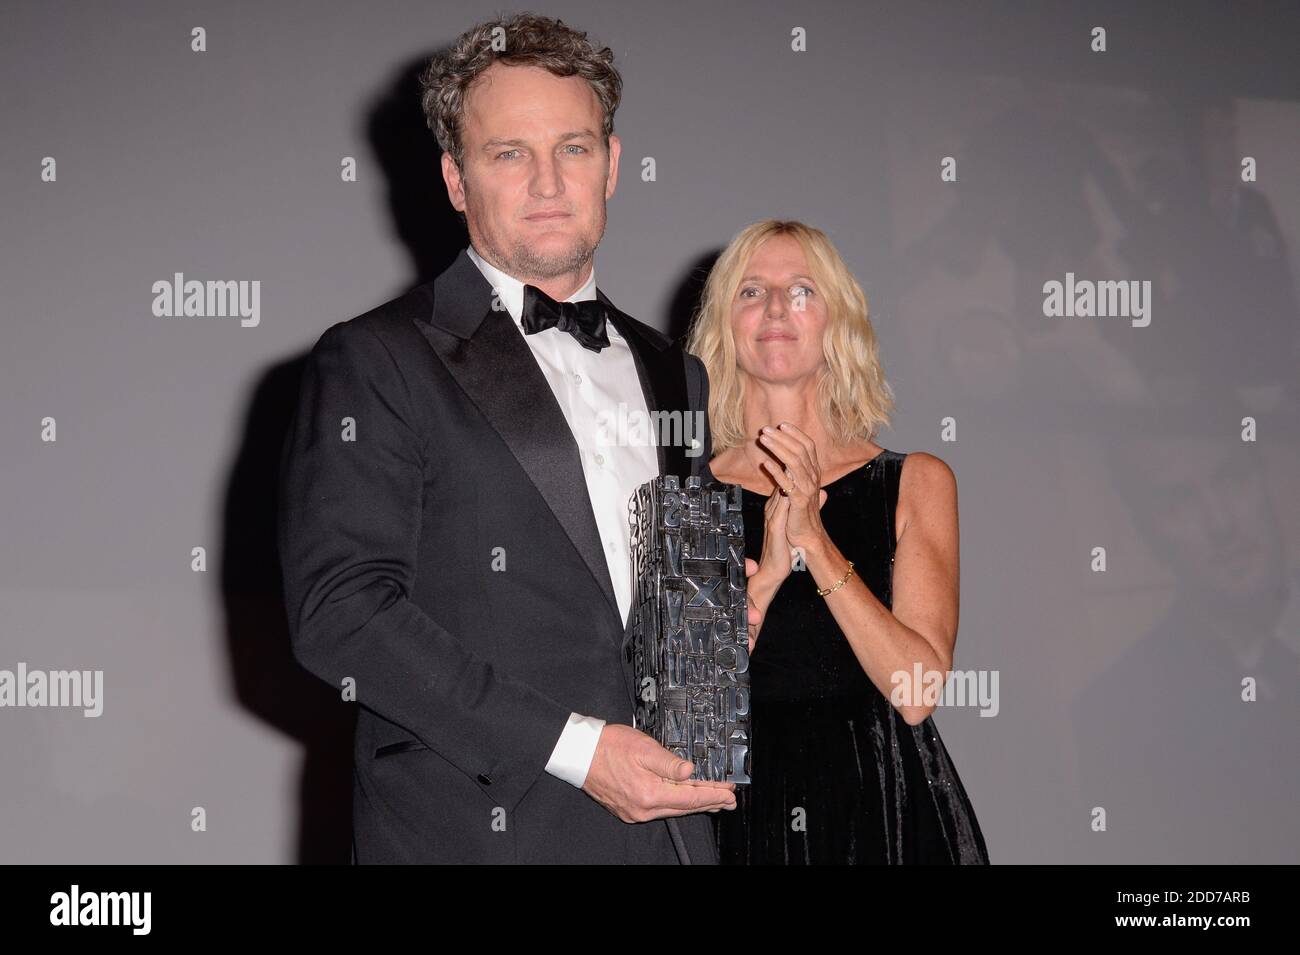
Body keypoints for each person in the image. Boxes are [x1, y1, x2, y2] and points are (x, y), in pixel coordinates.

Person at [277, 13, 738, 864]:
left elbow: (667, 612)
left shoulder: (679, 373)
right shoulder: (377, 357)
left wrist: (742, 600)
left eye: (573, 147)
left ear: (614, 164)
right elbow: (339, 613)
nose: (549, 182)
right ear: (456, 180)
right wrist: (580, 748)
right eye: (508, 154)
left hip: (670, 835)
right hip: (476, 830)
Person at [691, 220, 990, 863]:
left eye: (801, 291)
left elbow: (916, 694)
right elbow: (690, 722)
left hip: (886, 815)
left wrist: (815, 541)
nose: (774, 307)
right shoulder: (685, 495)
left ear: (838, 323)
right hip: (737, 822)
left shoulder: (915, 482)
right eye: (751, 291)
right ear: (724, 325)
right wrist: (766, 578)